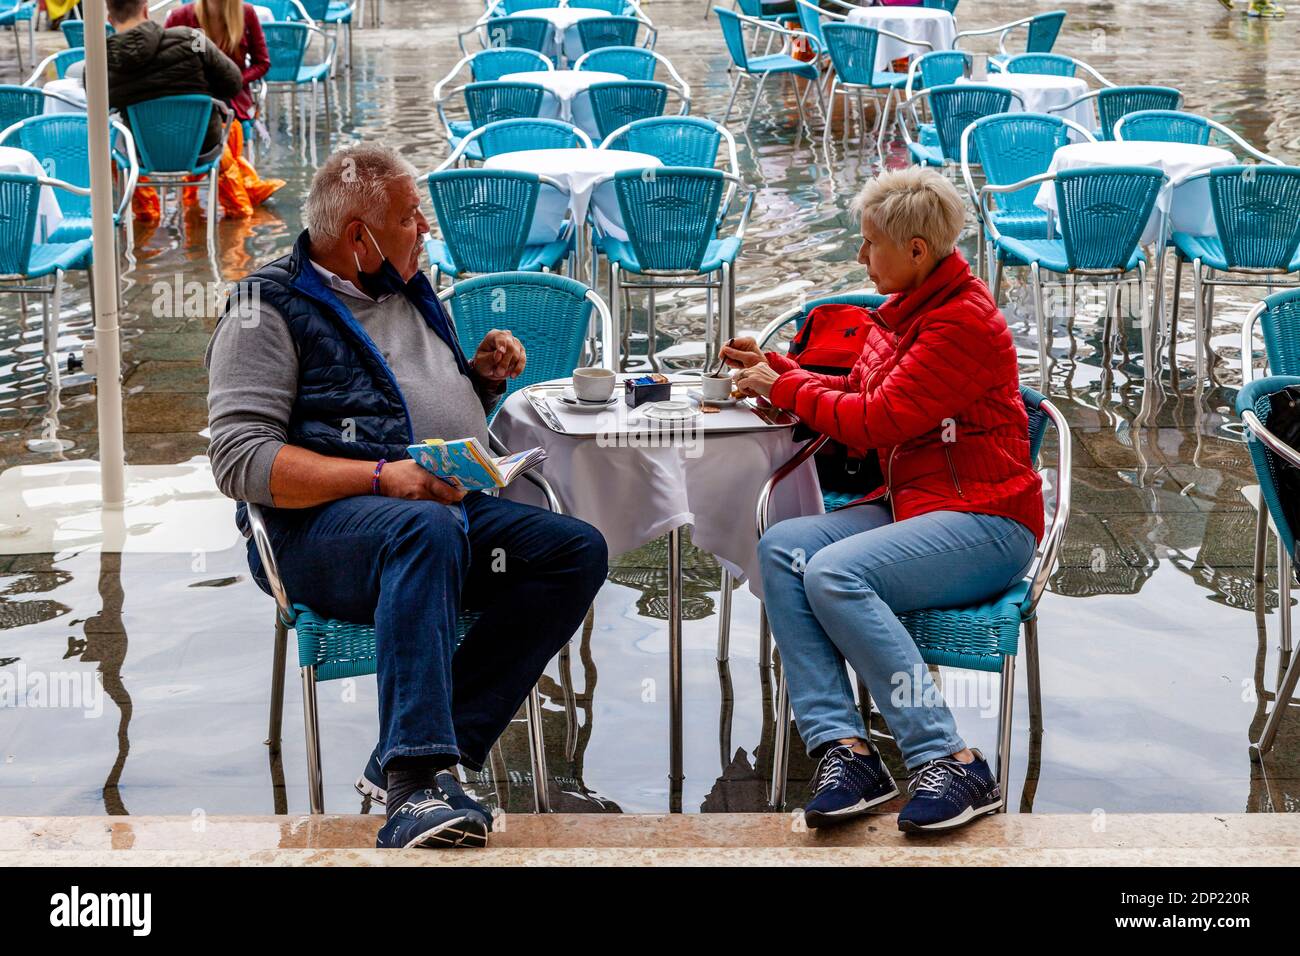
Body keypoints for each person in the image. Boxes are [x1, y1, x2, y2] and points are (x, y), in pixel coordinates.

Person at [205, 144, 609, 850]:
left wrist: (480, 385)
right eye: (408, 217)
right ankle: (414, 787)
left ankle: (422, 746)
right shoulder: (265, 307)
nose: (424, 227)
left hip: (430, 514)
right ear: (357, 236)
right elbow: (240, 458)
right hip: (320, 534)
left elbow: (409, 411)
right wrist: (377, 476)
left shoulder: (410, 287)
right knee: (422, 527)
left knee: (575, 552)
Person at [721, 167, 1044, 834]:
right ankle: (846, 748)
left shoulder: (961, 323)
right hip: (918, 508)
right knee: (782, 548)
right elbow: (859, 398)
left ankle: (950, 759)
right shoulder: (903, 311)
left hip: (988, 522)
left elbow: (876, 422)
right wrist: (778, 370)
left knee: (837, 571)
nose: (861, 257)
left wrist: (784, 391)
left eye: (871, 244)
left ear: (917, 251)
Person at [104, 0, 245, 223]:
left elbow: (100, 103)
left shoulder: (102, 59)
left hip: (142, 154)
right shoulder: (192, 37)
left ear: (109, 19)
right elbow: (233, 83)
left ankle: (145, 219)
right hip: (202, 148)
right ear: (146, 9)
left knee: (115, 144)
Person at [164, 0, 286, 216]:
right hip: (193, 103)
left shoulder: (246, 14)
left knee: (227, 133)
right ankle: (243, 193)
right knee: (218, 137)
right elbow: (162, 65)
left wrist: (234, 80)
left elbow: (263, 63)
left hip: (233, 99)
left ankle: (237, 197)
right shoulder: (180, 17)